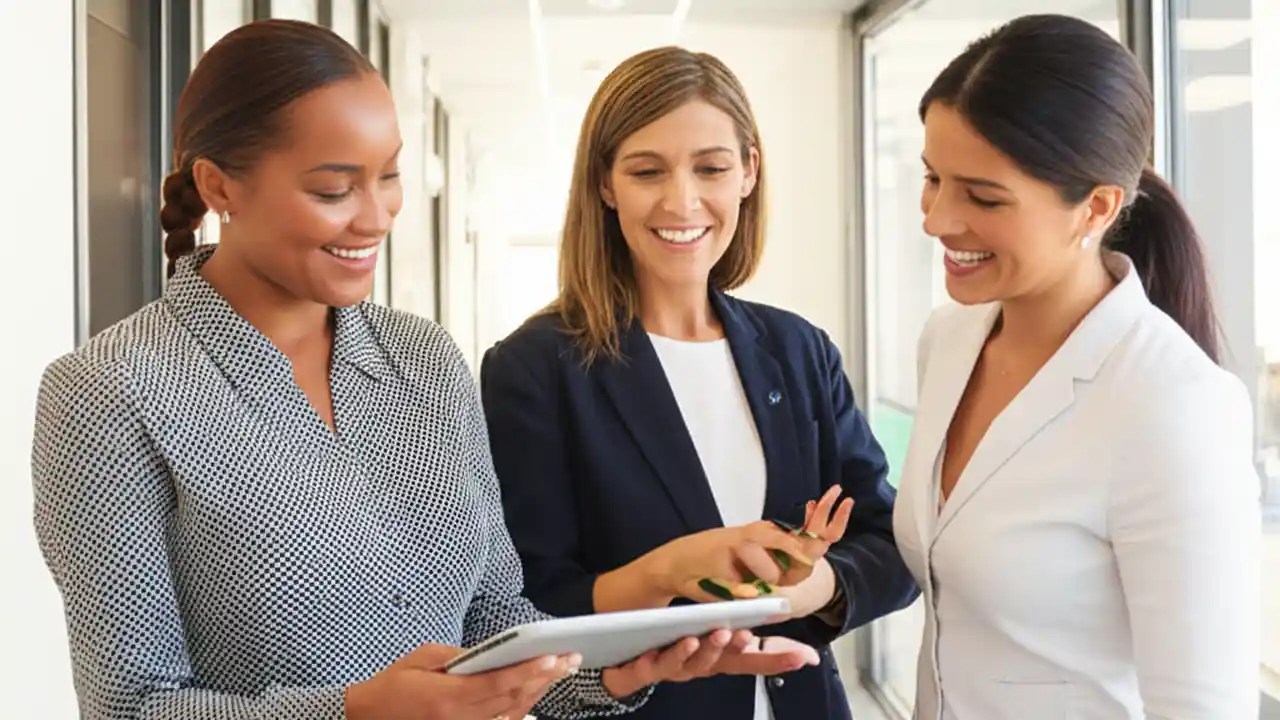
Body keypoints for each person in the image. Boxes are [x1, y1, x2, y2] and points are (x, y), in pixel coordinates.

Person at [30, 21, 821, 720]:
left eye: (390, 176)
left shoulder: (426, 359)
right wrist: (353, 713)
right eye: (334, 188)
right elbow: (132, 706)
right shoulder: (109, 391)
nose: (376, 217)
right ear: (219, 186)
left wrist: (615, 676)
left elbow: (491, 620)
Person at [480, 46, 919, 720]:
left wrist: (815, 586)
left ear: (748, 172)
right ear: (605, 185)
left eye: (710, 168)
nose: (681, 200)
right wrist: (666, 571)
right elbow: (528, 604)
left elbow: (889, 543)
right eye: (647, 171)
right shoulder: (535, 369)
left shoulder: (799, 351)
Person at [895, 13, 1260, 719]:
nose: (937, 219)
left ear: (1094, 208)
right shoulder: (947, 341)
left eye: (983, 196)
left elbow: (1203, 707)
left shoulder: (1171, 402)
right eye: (933, 178)